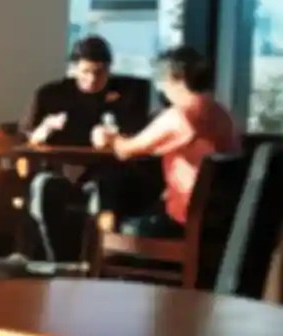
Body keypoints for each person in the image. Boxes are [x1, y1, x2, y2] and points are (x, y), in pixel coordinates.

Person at [20, 36, 155, 261]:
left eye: (100, 72)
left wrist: (114, 135)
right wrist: (44, 129)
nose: (92, 79)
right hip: (63, 169)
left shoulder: (129, 93)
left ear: (110, 70)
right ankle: (58, 262)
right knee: (44, 188)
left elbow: (140, 137)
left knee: (105, 190)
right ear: (73, 69)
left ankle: (99, 262)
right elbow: (29, 137)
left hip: (111, 171)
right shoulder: (52, 94)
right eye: (85, 71)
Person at [94, 46, 240, 237]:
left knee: (111, 202)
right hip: (219, 217)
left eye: (161, 81)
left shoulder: (181, 116)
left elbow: (125, 151)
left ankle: (101, 260)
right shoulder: (220, 112)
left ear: (175, 79)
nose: (161, 88)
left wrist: (108, 137)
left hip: (185, 218)